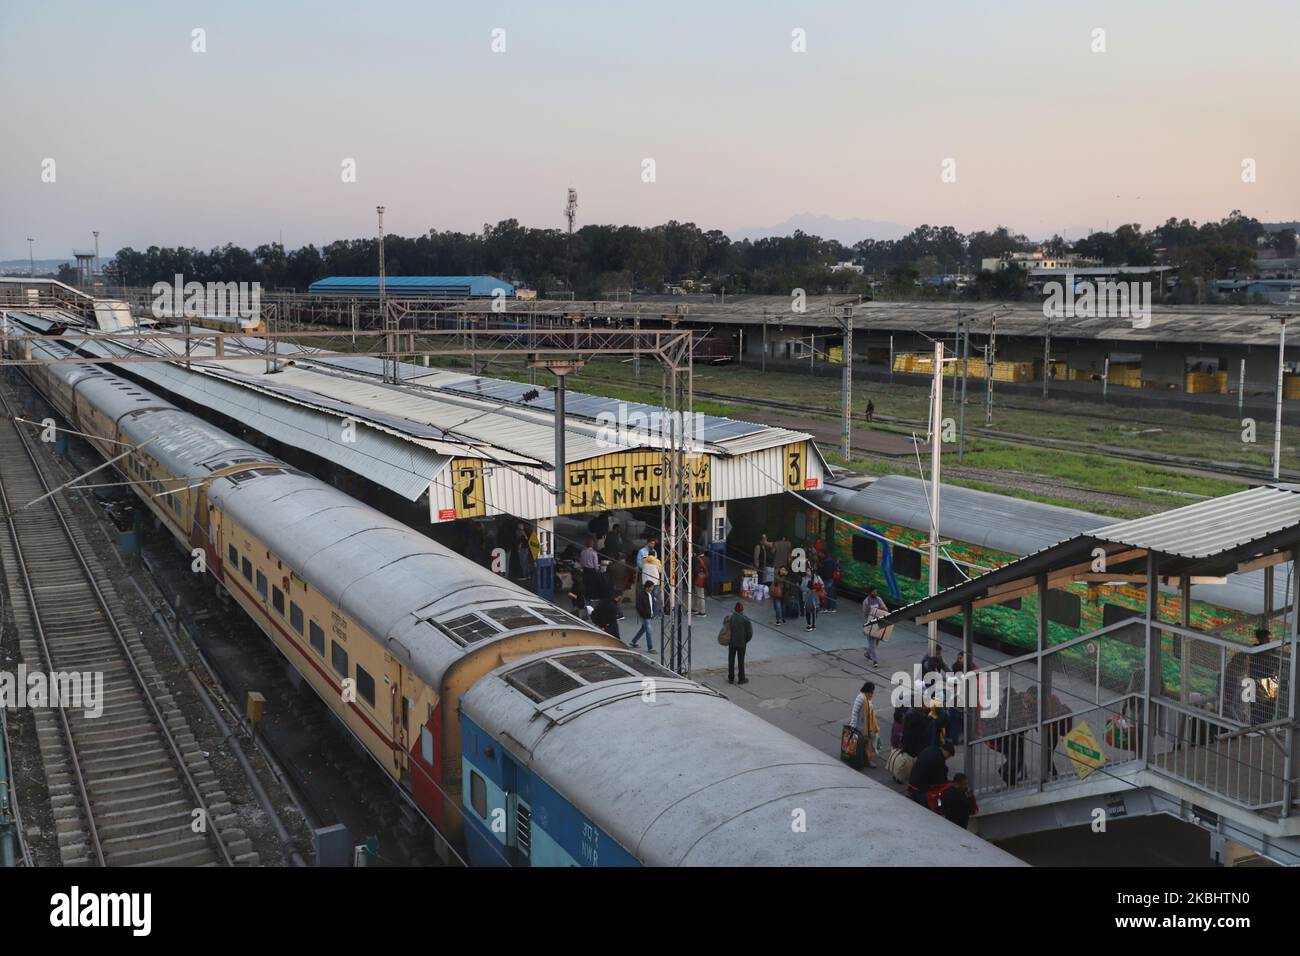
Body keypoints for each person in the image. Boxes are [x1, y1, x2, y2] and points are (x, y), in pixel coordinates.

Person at [907, 740, 955, 806]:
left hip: (912, 781)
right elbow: (941, 781)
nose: (947, 758)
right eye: (948, 756)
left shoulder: (931, 748)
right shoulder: (939, 759)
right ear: (946, 751)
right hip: (921, 788)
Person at [848, 682, 880, 768]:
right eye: (871, 692)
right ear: (867, 691)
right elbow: (854, 713)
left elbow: (871, 712)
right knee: (868, 742)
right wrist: (853, 727)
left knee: (874, 737)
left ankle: (868, 758)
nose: (872, 694)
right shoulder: (860, 698)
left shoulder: (868, 698)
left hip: (867, 726)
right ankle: (870, 761)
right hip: (861, 727)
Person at [726, 602, 753, 685]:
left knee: (731, 660)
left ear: (734, 609)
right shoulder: (746, 619)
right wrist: (745, 640)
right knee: (741, 661)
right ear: (742, 610)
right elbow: (750, 633)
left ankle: (731, 678)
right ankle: (741, 678)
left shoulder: (730, 618)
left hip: (732, 643)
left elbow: (725, 628)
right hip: (742, 643)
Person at [631, 580, 658, 652]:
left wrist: (653, 599)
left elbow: (649, 601)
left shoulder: (650, 594)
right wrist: (644, 614)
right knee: (649, 631)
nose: (652, 588)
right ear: (647, 587)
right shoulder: (641, 595)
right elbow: (638, 606)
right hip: (645, 616)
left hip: (648, 615)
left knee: (643, 629)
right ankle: (650, 648)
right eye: (651, 587)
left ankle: (633, 641)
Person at [862, 587, 887, 664]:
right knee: (872, 644)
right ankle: (875, 660)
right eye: (874, 592)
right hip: (871, 624)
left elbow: (885, 608)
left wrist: (880, 612)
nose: (876, 593)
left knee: (876, 642)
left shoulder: (878, 599)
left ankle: (867, 654)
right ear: (870, 593)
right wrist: (868, 623)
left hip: (878, 623)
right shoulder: (866, 601)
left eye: (876, 591)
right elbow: (865, 613)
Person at [801, 565, 824, 632]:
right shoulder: (804, 578)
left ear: (812, 571)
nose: (807, 572)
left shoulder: (817, 577)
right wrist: (808, 590)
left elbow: (822, 585)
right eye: (806, 571)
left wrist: (816, 588)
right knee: (807, 611)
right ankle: (808, 624)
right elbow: (802, 587)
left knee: (814, 610)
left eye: (808, 571)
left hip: (815, 597)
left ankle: (813, 623)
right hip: (807, 597)